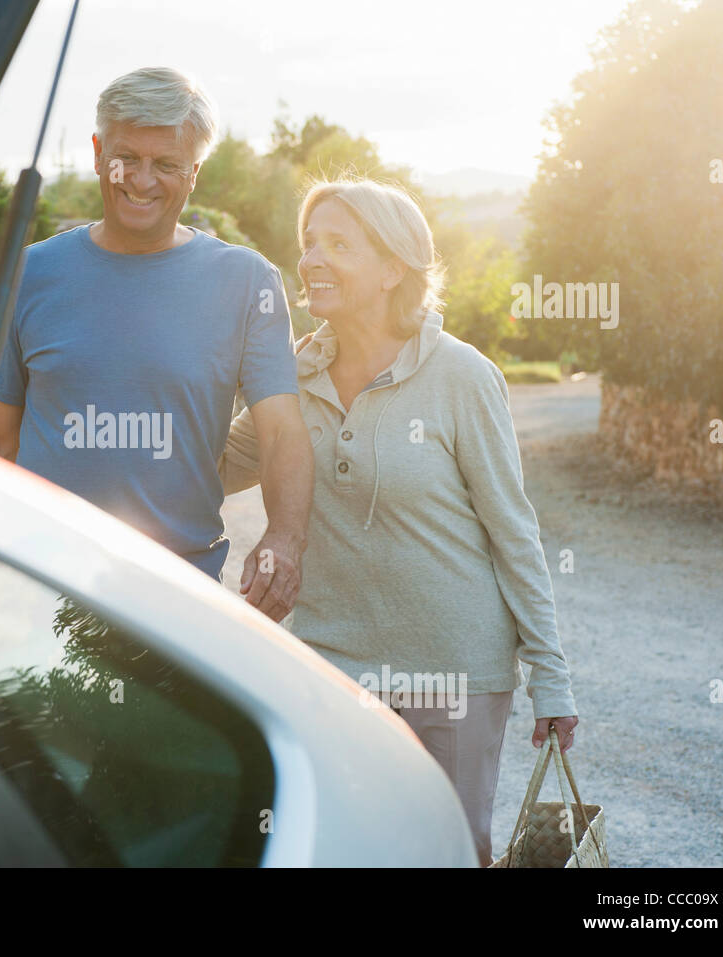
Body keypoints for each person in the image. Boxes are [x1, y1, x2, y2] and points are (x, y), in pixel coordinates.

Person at [219, 176, 580, 865]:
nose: (313, 259)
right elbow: (218, 468)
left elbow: (514, 532)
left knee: (447, 850)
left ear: (393, 268)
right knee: (339, 847)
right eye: (309, 243)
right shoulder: (290, 375)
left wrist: (551, 675)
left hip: (455, 671)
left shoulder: (462, 377)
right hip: (333, 663)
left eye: (338, 244)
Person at [0, 67, 313, 620]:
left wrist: (284, 538)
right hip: (37, 584)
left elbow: (281, 432)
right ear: (95, 150)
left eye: (167, 165)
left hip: (179, 594)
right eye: (126, 158)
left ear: (195, 173)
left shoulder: (248, 283)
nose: (142, 180)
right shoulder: (31, 273)